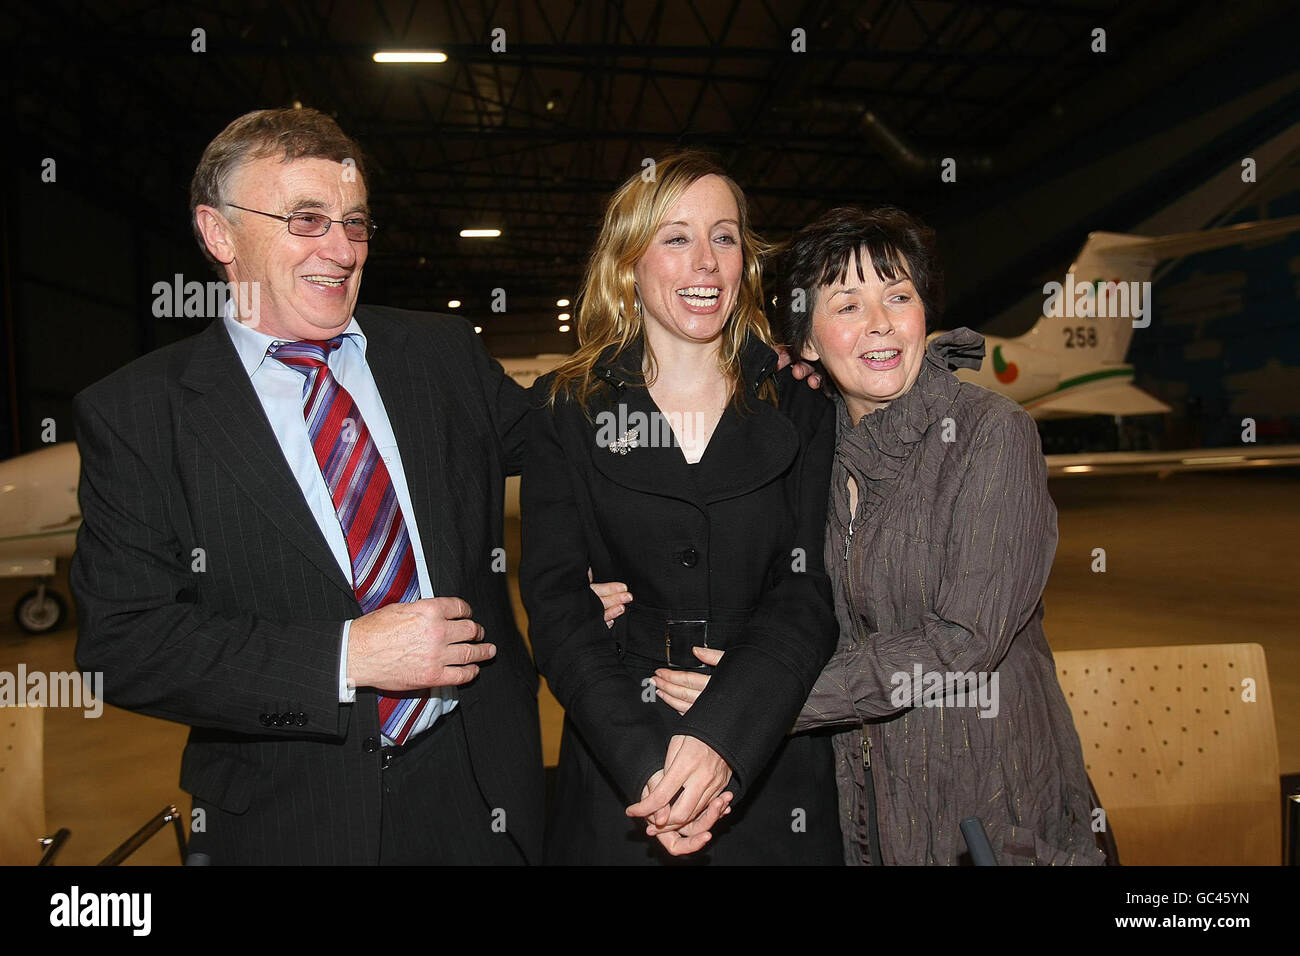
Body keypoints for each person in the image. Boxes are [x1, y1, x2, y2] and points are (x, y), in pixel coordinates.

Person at [70, 108, 558, 864]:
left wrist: (729, 365)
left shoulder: (439, 355)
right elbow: (124, 645)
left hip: (480, 784)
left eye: (355, 223)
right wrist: (345, 657)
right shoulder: (139, 414)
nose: (342, 249)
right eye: (306, 219)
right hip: (289, 817)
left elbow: (574, 443)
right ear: (219, 233)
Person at [655, 205, 1107, 865]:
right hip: (866, 795)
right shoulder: (817, 447)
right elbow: (763, 569)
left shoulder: (990, 433)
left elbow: (965, 642)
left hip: (988, 800)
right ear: (806, 341)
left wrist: (773, 695)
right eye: (846, 305)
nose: (881, 325)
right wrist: (614, 579)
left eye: (899, 296)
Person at [519, 154, 844, 865]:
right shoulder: (566, 409)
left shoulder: (800, 400)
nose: (705, 263)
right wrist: (649, 770)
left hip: (765, 757)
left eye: (724, 238)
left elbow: (807, 593)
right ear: (628, 261)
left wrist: (725, 735)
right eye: (676, 238)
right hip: (622, 772)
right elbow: (557, 607)